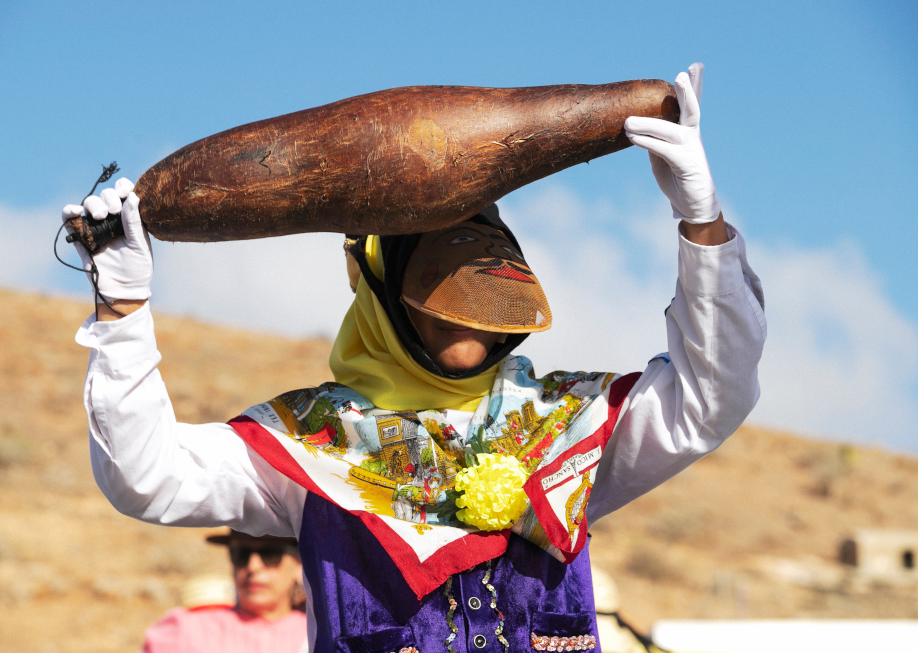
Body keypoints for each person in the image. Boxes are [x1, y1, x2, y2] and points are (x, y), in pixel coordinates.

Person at [66, 63, 765, 652]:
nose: (468, 314)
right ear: (383, 288)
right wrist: (123, 305)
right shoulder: (309, 447)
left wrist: (703, 226)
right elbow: (146, 475)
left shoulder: (564, 429)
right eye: (436, 277)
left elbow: (711, 397)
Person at [139, 531, 308, 653]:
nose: (253, 566)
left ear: (300, 563)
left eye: (270, 555)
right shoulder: (186, 630)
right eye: (241, 554)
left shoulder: (320, 636)